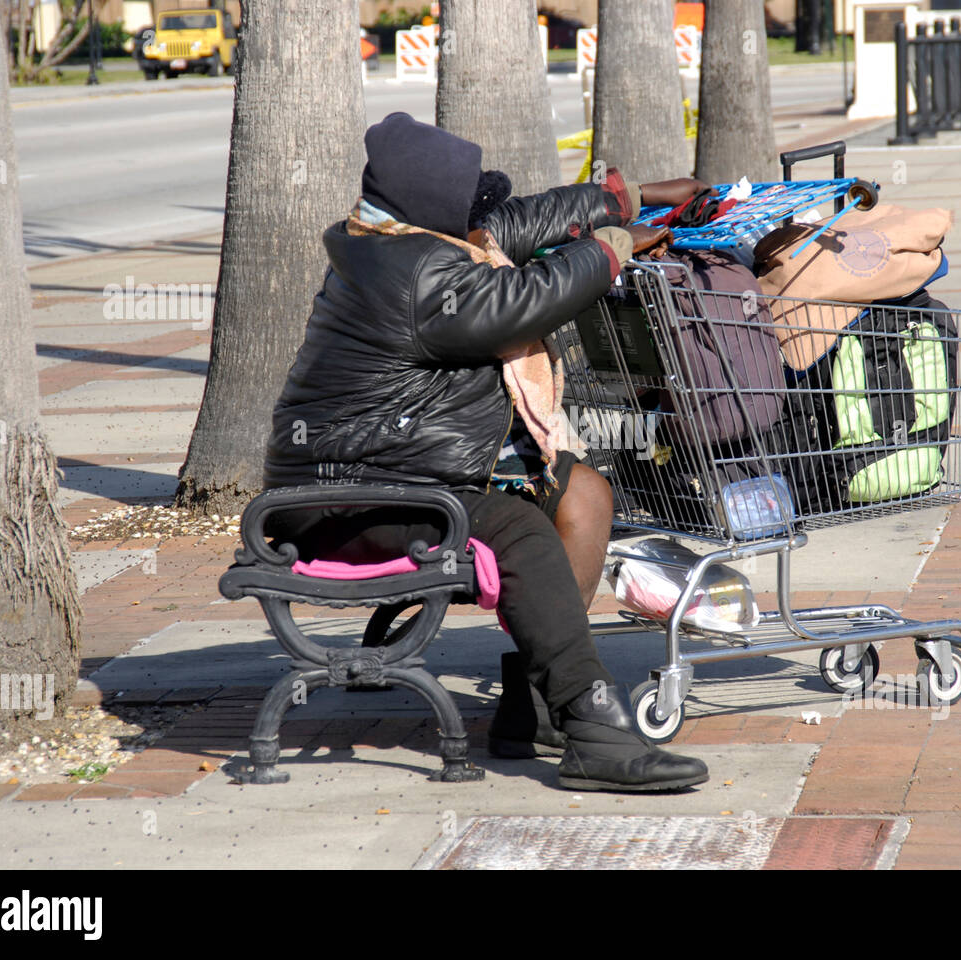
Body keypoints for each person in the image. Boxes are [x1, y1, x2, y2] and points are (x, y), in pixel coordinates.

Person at [262, 112, 711, 792]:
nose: (483, 215)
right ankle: (592, 725)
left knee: (582, 493)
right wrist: (614, 247)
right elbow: (526, 299)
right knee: (521, 531)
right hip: (344, 500)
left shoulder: (392, 236)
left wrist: (627, 197)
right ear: (434, 203)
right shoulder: (415, 272)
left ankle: (533, 705)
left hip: (387, 479)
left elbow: (513, 228)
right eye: (467, 198)